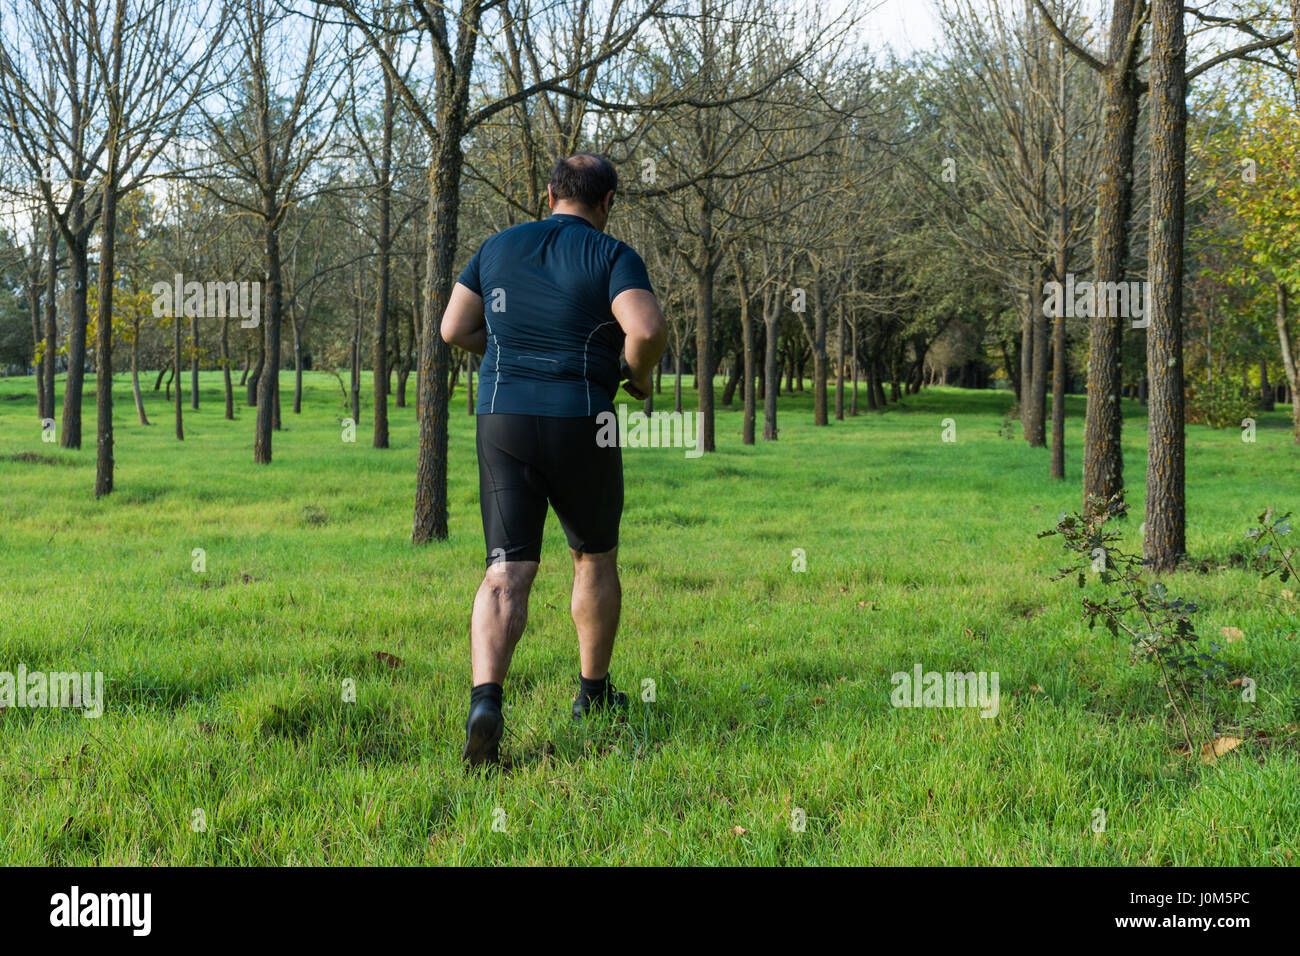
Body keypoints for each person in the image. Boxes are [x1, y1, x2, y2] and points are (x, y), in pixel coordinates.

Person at [439, 152, 668, 766]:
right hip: (583, 421)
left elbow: (453, 328)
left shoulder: (496, 247)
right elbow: (644, 330)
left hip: (503, 419)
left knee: (505, 570)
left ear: (548, 194)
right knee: (593, 558)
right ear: (608, 201)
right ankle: (592, 695)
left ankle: (486, 699)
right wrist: (636, 379)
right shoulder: (612, 254)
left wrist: (507, 351)